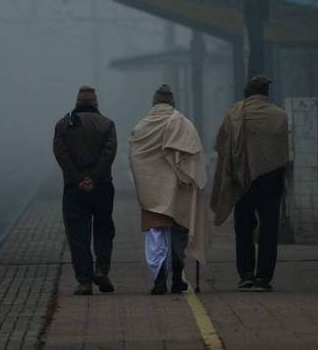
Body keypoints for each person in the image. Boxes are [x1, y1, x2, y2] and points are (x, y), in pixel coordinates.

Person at [210, 75, 290, 292]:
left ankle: (245, 274)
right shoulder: (280, 116)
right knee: (268, 230)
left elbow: (221, 146)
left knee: (243, 228)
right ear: (266, 93)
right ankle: (263, 277)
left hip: (242, 180)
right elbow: (285, 152)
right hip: (271, 181)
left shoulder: (233, 115)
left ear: (247, 93)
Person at [128, 85, 209, 295]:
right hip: (179, 191)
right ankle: (177, 275)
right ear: (172, 102)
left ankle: (159, 279)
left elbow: (135, 158)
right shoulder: (183, 124)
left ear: (154, 103)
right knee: (178, 233)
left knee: (155, 235)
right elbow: (195, 157)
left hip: (152, 193)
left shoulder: (141, 127)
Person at [53, 85, 118, 296]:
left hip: (74, 189)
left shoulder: (63, 125)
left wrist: (79, 178)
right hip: (102, 187)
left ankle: (84, 282)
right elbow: (109, 154)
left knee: (78, 235)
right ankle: (101, 270)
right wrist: (94, 178)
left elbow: (61, 154)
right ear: (96, 103)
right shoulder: (107, 124)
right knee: (104, 230)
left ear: (77, 103)